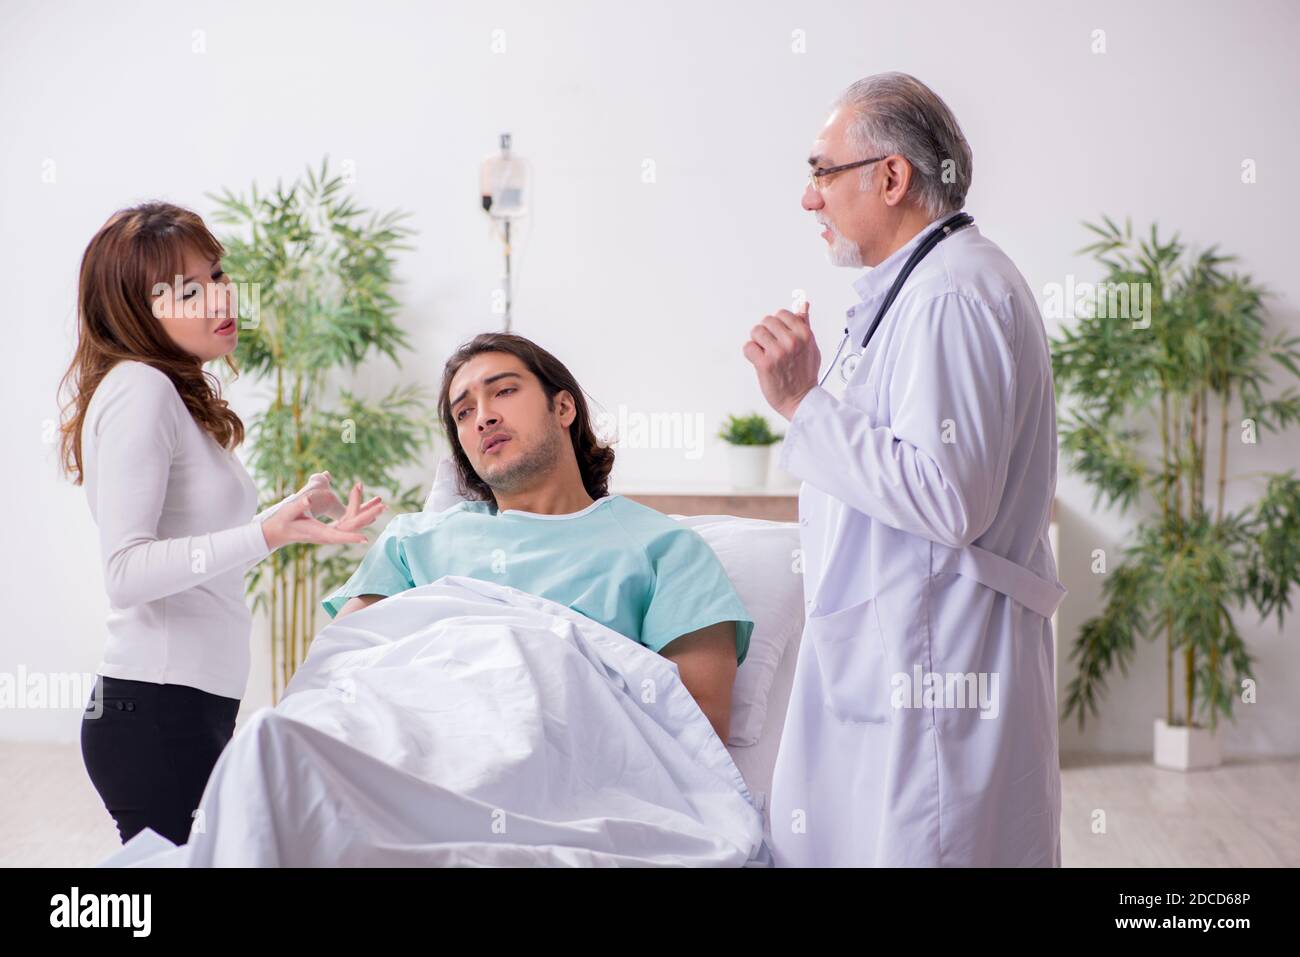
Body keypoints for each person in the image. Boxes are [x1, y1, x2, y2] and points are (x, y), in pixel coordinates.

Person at [742, 73, 1066, 866]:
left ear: (891, 177)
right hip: (907, 657)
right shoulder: (922, 289)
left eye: (822, 172)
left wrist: (802, 404)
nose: (808, 199)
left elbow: (948, 494)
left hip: (934, 664)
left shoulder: (949, 294)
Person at [58, 202, 386, 845]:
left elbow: (191, 556)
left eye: (216, 275)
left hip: (185, 705)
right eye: (189, 289)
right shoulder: (140, 389)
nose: (221, 295)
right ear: (137, 310)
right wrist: (265, 531)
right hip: (154, 709)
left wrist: (283, 518)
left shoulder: (166, 395)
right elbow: (125, 573)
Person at [322, 333, 753, 742]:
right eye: (463, 413)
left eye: (504, 391)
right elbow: (334, 675)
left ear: (563, 407)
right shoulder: (411, 543)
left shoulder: (666, 550)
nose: (483, 417)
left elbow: (700, 727)